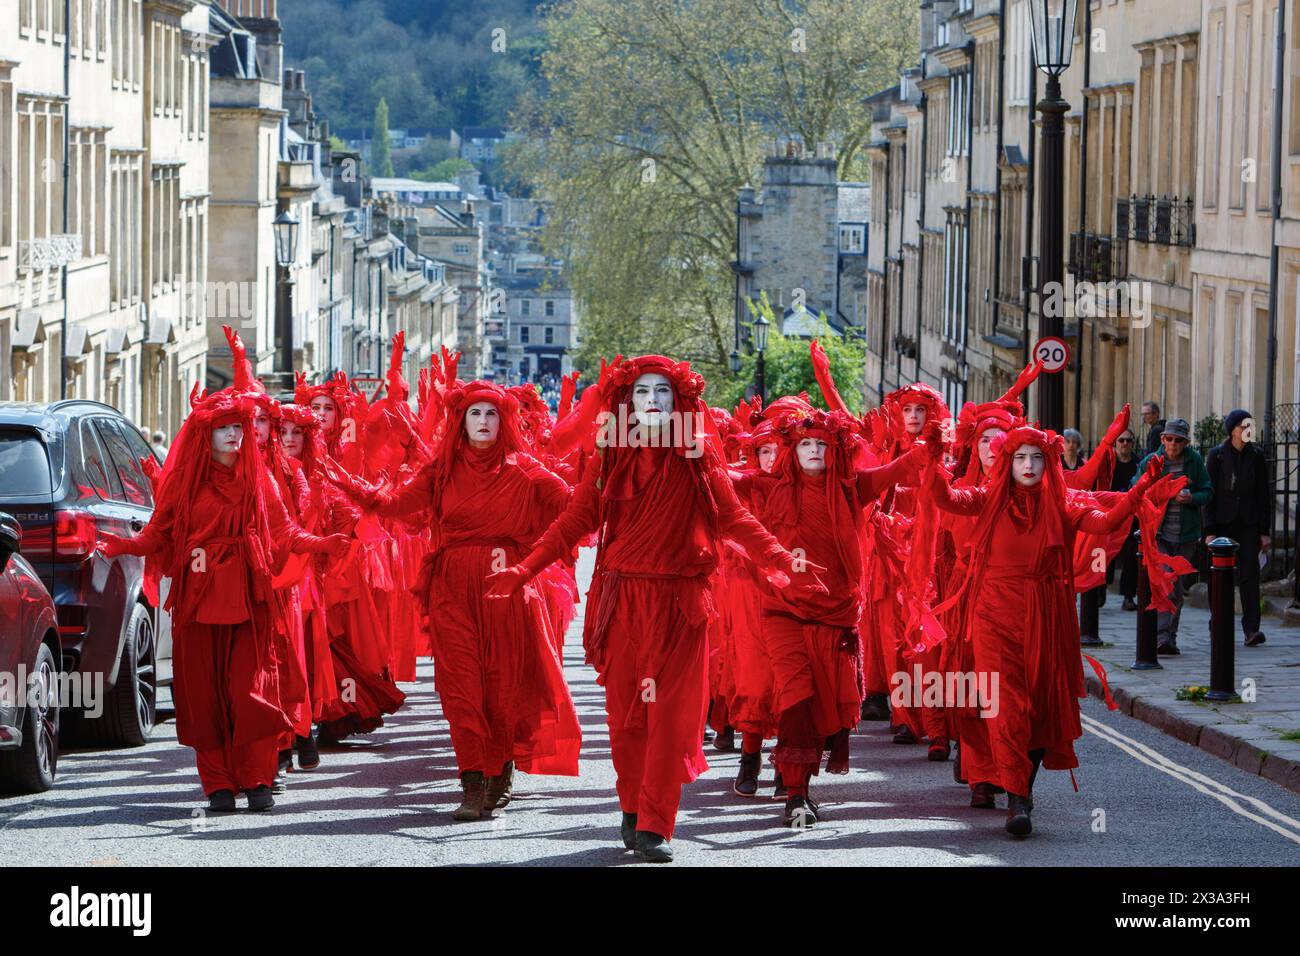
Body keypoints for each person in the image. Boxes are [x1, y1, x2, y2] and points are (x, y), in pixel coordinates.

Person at [485, 355, 823, 863]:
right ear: (627, 403)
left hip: (682, 602)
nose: (652, 401)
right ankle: (631, 805)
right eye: (642, 392)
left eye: (662, 392)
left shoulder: (699, 452)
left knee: (672, 719)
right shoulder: (610, 454)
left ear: (681, 401)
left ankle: (656, 824)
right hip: (624, 602)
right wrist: (523, 569)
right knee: (627, 720)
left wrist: (780, 558)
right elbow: (575, 520)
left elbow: (732, 517)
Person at [326, 378, 582, 821]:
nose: (483, 421)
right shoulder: (442, 469)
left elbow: (576, 508)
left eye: (492, 414)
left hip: (509, 590)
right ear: (461, 421)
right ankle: (471, 780)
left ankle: (499, 765)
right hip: (452, 589)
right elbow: (396, 504)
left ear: (505, 422)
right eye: (474, 413)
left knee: (503, 687)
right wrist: (350, 485)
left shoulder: (526, 469)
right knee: (461, 686)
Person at [96, 388, 350, 812]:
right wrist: (125, 547)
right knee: (204, 694)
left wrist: (322, 544)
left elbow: (285, 533)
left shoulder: (260, 479)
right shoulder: (184, 482)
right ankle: (217, 784)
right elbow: (158, 534)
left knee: (251, 689)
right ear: (205, 434)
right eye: (223, 428)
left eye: (238, 426)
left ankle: (257, 778)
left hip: (251, 600)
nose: (234, 434)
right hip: (198, 602)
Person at [926, 427, 1168, 836]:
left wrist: (1140, 485)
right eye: (1020, 457)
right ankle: (1017, 799)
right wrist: (932, 460)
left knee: (1040, 706)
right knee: (1005, 704)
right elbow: (946, 498)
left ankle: (1023, 789)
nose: (1028, 465)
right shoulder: (988, 499)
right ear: (1008, 462)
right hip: (994, 614)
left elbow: (1106, 519)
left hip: (1047, 614)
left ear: (1048, 463)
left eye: (1037, 458)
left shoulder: (1062, 502)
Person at [1132, 418, 1213, 655]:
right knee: (1165, 581)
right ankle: (1162, 636)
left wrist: (1192, 497)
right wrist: (1154, 492)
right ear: (1162, 439)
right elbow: (1135, 486)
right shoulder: (1152, 461)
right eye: (1169, 439)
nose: (1173, 444)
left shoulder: (1194, 461)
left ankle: (1169, 637)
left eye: (1179, 440)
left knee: (1176, 589)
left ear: (1186, 442)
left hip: (1186, 535)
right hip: (1158, 533)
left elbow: (1207, 490)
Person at [1203, 409, 1271, 647]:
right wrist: (1209, 529)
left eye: (1250, 425)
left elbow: (1264, 495)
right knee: (1219, 577)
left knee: (1250, 576)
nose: (1248, 429)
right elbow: (1209, 494)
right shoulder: (1217, 455)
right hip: (1222, 523)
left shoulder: (1257, 456)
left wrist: (1265, 531)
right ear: (1232, 430)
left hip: (1249, 524)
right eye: (1244, 426)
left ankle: (1251, 629)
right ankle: (1218, 624)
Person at [1107, 428, 1141, 611]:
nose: (1125, 444)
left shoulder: (1138, 464)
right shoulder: (1109, 464)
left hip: (1132, 516)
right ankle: (1101, 586)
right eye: (1121, 440)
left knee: (1131, 556)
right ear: (1116, 443)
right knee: (1107, 554)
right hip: (1111, 515)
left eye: (1128, 440)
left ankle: (1128, 596)